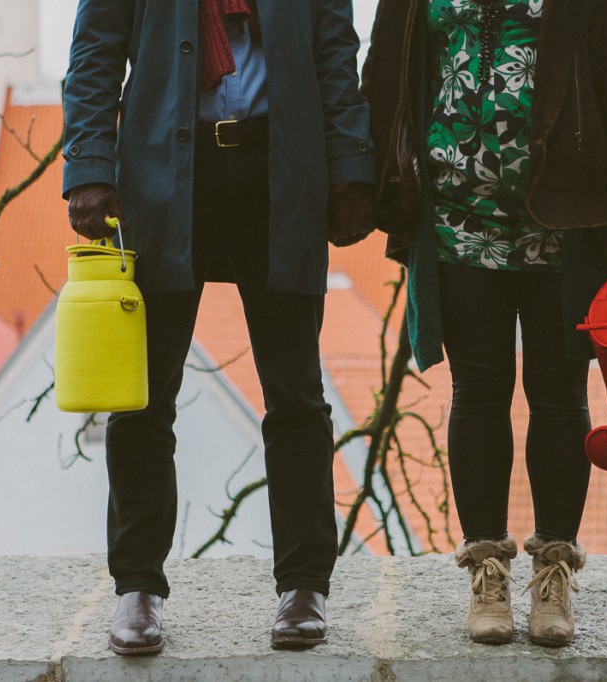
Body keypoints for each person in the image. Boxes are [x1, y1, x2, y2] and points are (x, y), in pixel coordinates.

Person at [62, 0, 375, 654]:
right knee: (143, 395)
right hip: (164, 177)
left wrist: (349, 166)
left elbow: (335, 57)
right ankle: (138, 588)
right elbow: (94, 53)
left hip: (278, 172)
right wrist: (88, 165)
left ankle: (304, 584)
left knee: (295, 391)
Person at [363, 0, 607, 647]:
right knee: (478, 391)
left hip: (567, 215)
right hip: (454, 215)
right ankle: (488, 574)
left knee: (559, 393)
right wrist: (371, 181)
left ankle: (554, 571)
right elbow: (386, 67)